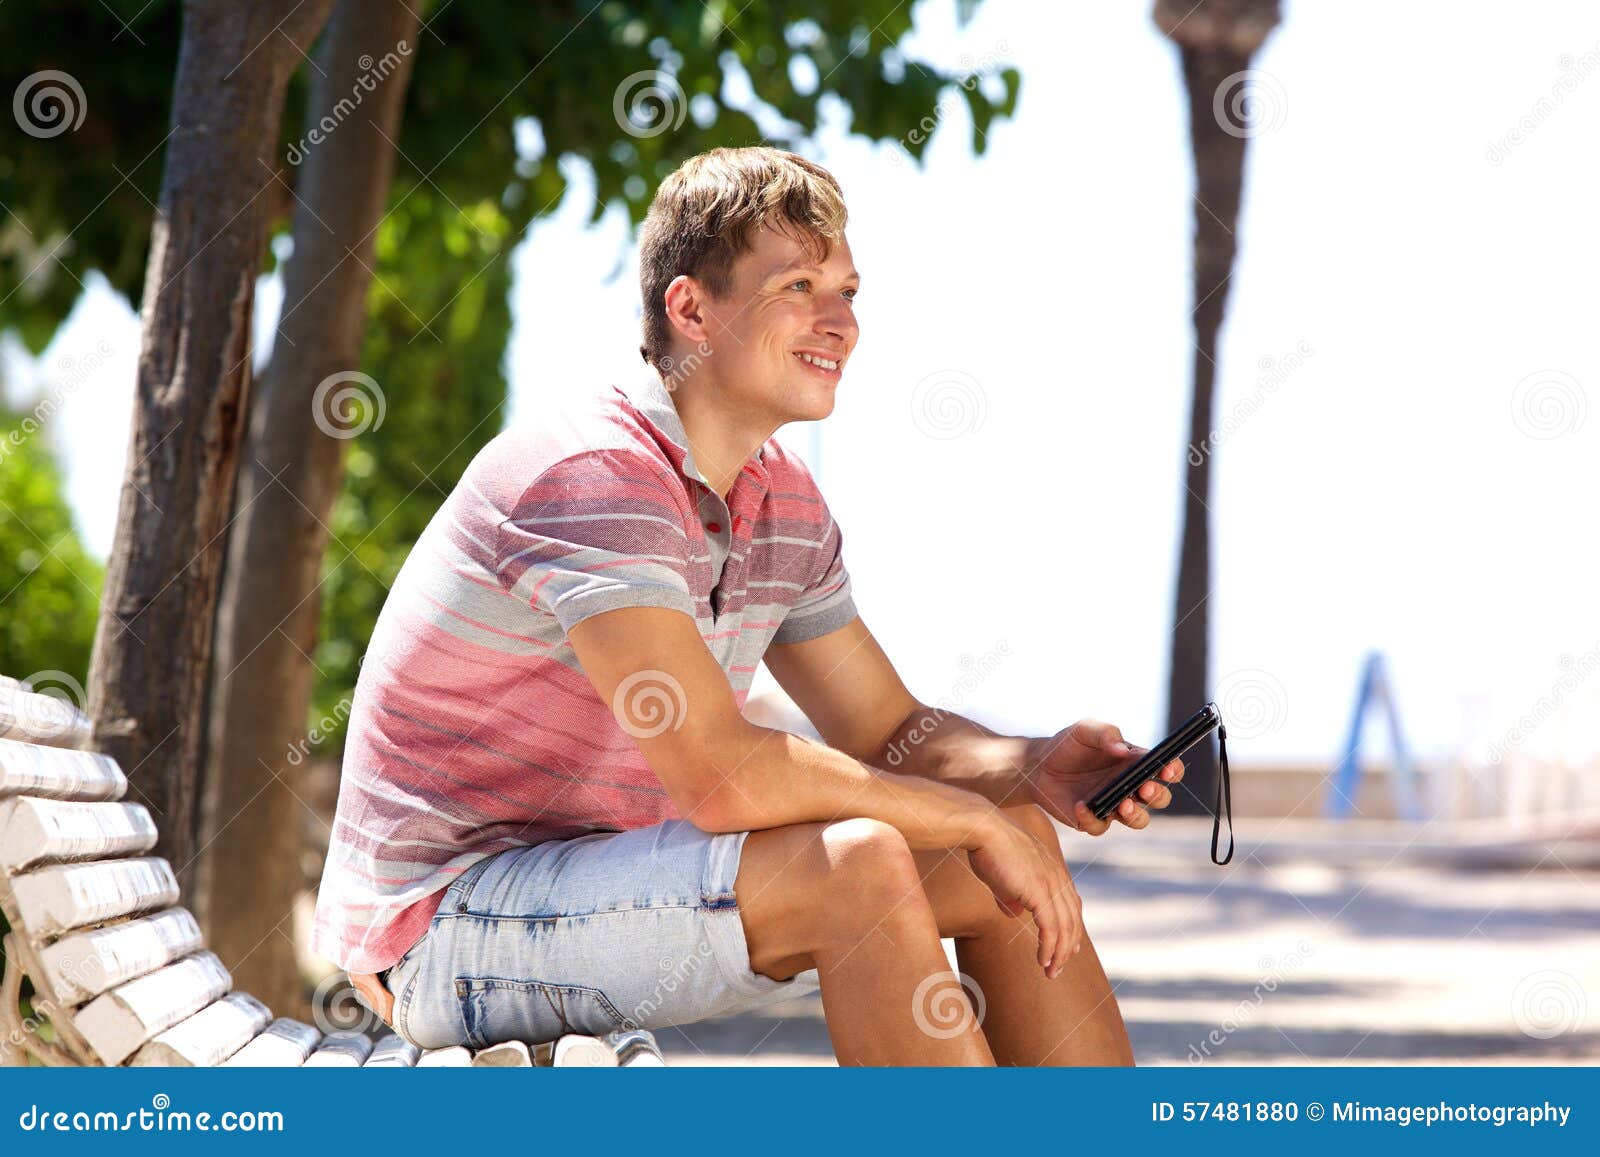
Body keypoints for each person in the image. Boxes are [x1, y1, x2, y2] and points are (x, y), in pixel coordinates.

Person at [312, 146, 1184, 1066]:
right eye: (800, 286)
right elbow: (719, 773)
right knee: (861, 863)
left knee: (1010, 856)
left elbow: (886, 726)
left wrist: (1029, 769)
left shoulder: (783, 502)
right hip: (437, 929)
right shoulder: (595, 473)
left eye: (849, 290)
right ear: (691, 309)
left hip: (591, 893)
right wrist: (963, 814)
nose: (840, 320)